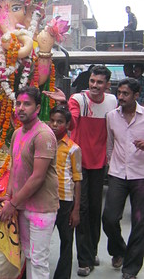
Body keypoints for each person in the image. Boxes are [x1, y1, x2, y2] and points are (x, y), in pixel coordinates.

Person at [43, 65, 118, 276]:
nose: (94, 85)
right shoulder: (78, 99)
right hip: (79, 163)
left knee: (96, 210)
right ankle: (84, 259)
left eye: (99, 82)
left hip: (99, 164)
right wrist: (63, 102)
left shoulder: (112, 102)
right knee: (82, 210)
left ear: (107, 85)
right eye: (92, 81)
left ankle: (92, 250)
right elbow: (72, 122)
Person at [0, 86, 59, 279]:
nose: (21, 108)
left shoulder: (43, 135)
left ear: (38, 108)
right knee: (27, 256)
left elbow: (38, 177)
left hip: (41, 209)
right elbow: (14, 169)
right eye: (18, 103)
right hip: (22, 206)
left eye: (27, 104)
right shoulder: (17, 133)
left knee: (39, 260)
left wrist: (13, 203)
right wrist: (8, 197)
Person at [102, 78, 144, 279]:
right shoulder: (112, 116)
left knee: (140, 222)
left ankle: (130, 269)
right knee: (109, 218)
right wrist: (111, 163)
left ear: (136, 95)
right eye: (119, 93)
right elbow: (110, 143)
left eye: (125, 94)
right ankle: (119, 249)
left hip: (141, 174)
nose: (120, 97)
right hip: (118, 173)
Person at [49, 105, 82, 279]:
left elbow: (77, 180)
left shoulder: (73, 148)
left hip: (65, 201)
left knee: (67, 241)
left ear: (68, 124)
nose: (55, 125)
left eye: (60, 122)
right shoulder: (44, 143)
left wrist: (75, 210)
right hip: (47, 199)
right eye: (53, 121)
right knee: (39, 241)